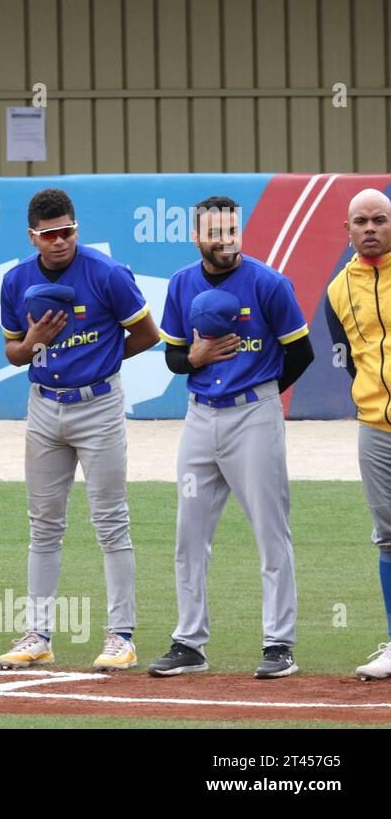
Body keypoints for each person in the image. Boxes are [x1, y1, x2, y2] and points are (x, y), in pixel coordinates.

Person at [148, 195, 314, 679]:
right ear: (197, 237)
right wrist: (196, 360)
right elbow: (175, 359)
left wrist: (261, 394)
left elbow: (300, 353)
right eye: (214, 233)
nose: (225, 240)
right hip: (200, 419)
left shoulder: (268, 283)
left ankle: (278, 644)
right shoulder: (181, 285)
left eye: (231, 231)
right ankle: (189, 643)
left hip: (253, 419)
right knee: (188, 535)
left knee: (270, 531)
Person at [0, 188, 160, 671]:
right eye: (50, 235)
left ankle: (121, 636)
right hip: (44, 404)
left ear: (76, 228)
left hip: (99, 404)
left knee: (110, 521)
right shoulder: (15, 281)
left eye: (67, 231)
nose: (61, 241)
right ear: (33, 236)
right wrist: (35, 340)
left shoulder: (107, 273)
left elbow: (148, 334)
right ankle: (37, 634)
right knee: (43, 525)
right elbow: (12, 353)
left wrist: (101, 360)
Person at [324, 187, 391, 681]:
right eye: (361, 221)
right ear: (346, 230)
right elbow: (351, 360)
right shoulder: (336, 291)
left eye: (380, 219)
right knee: (388, 536)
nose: (371, 228)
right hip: (376, 428)